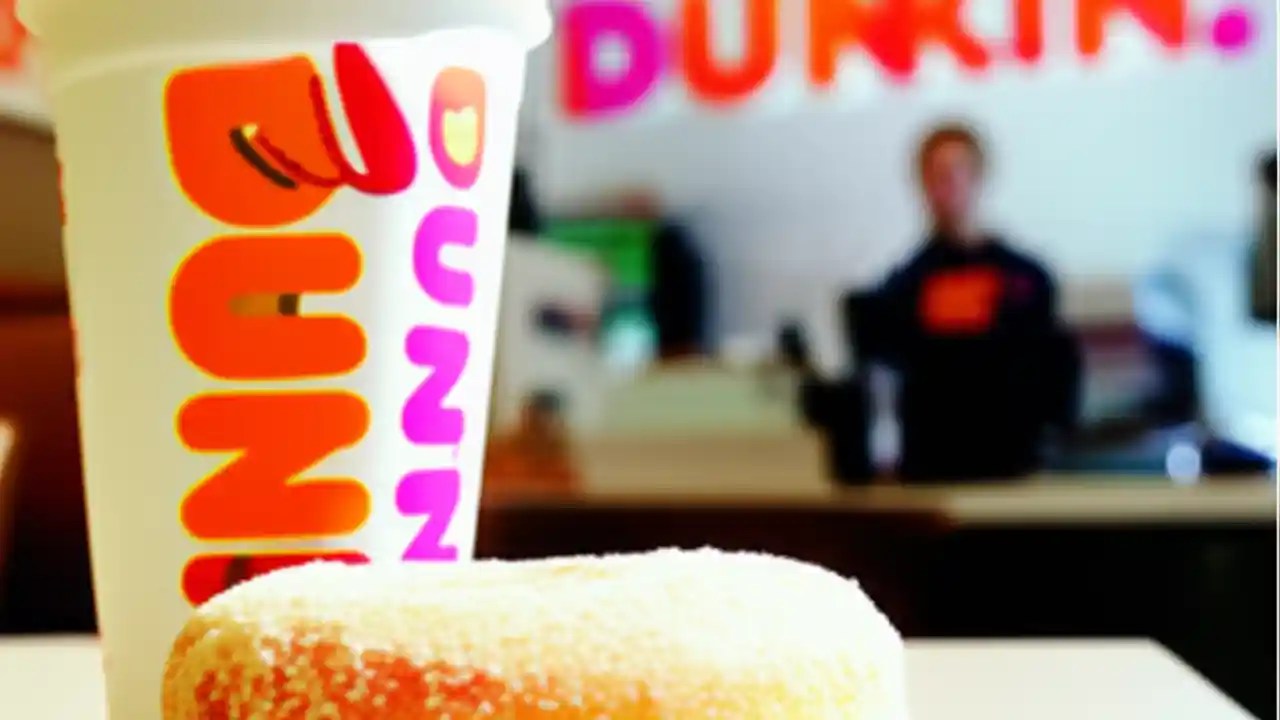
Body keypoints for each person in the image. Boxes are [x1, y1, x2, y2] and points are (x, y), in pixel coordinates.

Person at [872, 123, 1076, 480]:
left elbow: (1052, 370)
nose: (949, 184)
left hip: (1015, 465)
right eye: (937, 174)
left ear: (980, 176)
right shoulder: (902, 289)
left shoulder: (1026, 278)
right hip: (933, 468)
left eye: (958, 170)